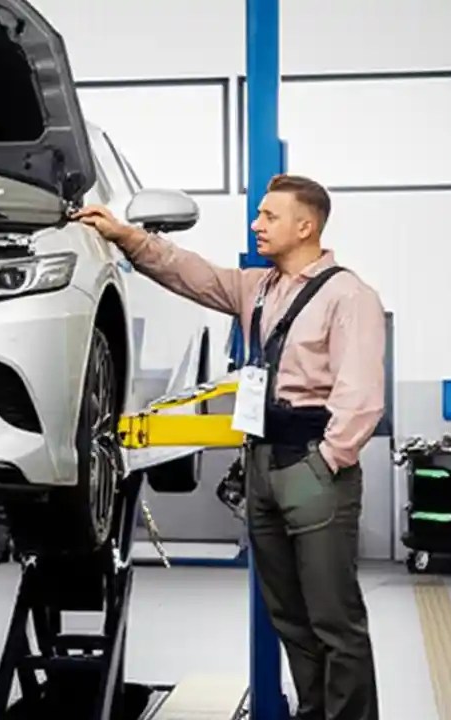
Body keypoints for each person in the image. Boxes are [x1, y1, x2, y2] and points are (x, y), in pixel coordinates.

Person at [74, 174, 385, 720]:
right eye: (259, 214)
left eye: (269, 216)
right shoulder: (258, 288)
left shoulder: (348, 295)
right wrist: (124, 235)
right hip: (263, 463)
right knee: (288, 616)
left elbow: (360, 398)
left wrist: (325, 461)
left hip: (314, 467)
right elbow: (187, 272)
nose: (256, 224)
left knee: (334, 619)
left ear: (306, 225)